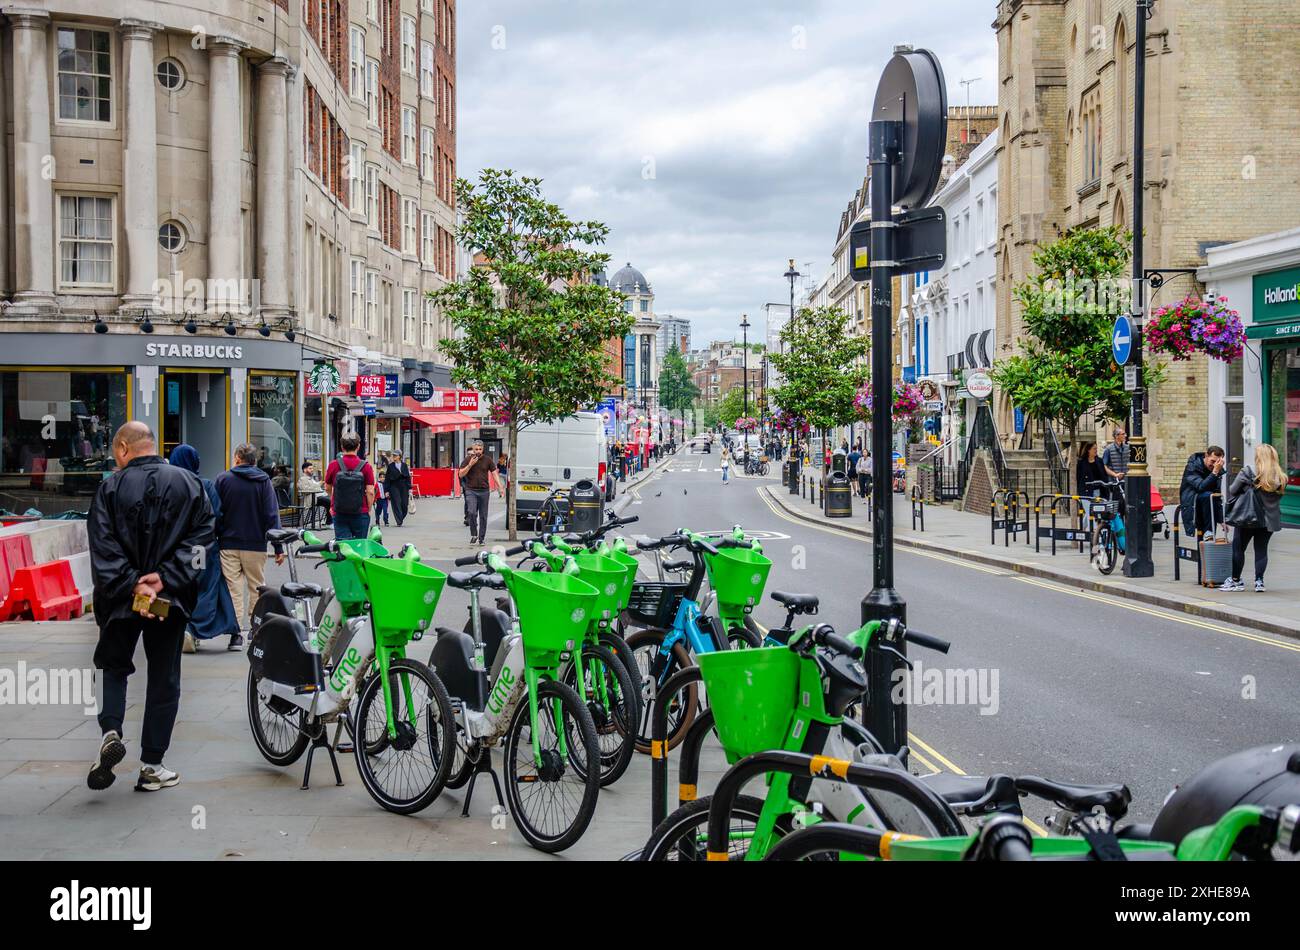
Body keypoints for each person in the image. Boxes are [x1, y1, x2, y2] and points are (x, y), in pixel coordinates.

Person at [87, 422, 213, 793]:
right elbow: (204, 542)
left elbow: (102, 546)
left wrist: (131, 583)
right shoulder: (190, 484)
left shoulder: (109, 488)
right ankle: (152, 764)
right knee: (164, 677)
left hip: (120, 600)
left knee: (112, 666)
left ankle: (111, 730)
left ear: (124, 448)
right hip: (167, 600)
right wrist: (165, 578)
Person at [169, 444, 238, 654]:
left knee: (181, 588)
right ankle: (231, 632)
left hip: (177, 549)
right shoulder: (205, 485)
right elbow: (217, 514)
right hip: (204, 547)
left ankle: (187, 627)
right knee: (211, 587)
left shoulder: (169, 486)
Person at [215, 443, 283, 648]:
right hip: (256, 544)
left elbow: (216, 512)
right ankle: (256, 629)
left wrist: (216, 536)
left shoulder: (223, 479)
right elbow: (272, 515)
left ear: (237, 458)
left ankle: (235, 633)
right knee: (256, 587)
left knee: (233, 589)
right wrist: (278, 547)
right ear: (255, 461)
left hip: (228, 543)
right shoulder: (264, 482)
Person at [1220, 443, 1287, 592]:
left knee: (1238, 548)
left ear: (1259, 457)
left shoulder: (1248, 471)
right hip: (1269, 519)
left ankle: (1235, 581)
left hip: (1248, 516)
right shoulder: (1281, 477)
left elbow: (1232, 490)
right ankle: (1259, 582)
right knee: (1261, 550)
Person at [324, 434, 376, 541]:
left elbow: (327, 487)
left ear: (342, 447)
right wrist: (368, 508)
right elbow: (370, 491)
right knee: (360, 545)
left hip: (339, 511)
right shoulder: (366, 466)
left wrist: (333, 502)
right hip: (360, 512)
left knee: (343, 546)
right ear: (358, 446)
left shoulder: (333, 465)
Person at [1178, 444, 1226, 535]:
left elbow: (1216, 494)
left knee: (1211, 496)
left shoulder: (1216, 470)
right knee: (1208, 496)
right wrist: (1215, 472)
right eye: (1212, 461)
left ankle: (1209, 536)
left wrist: (1222, 520)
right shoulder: (1192, 466)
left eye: (1217, 462)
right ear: (1206, 455)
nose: (1214, 465)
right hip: (1192, 501)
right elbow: (1200, 486)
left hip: (1207, 504)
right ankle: (1209, 533)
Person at [459, 439, 497, 545]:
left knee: (483, 516)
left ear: (483, 449)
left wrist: (500, 487)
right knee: (471, 512)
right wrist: (470, 465)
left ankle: (481, 538)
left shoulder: (488, 460)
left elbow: (494, 473)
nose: (478, 451)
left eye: (480, 449)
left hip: (484, 491)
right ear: (473, 449)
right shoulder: (467, 459)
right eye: (476, 449)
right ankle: (474, 534)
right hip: (471, 490)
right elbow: (461, 474)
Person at [298, 460, 331, 526]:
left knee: (332, 501)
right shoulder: (302, 479)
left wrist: (319, 485)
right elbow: (306, 490)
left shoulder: (311, 479)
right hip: (312, 499)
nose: (312, 470)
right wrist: (318, 484)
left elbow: (315, 487)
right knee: (329, 502)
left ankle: (329, 521)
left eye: (312, 468)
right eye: (310, 468)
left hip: (318, 497)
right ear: (304, 470)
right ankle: (329, 522)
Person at [385, 451, 412, 526]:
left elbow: (408, 477)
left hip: (403, 486)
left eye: (395, 455)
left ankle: (400, 517)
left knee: (404, 504)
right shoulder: (390, 466)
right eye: (393, 455)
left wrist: (410, 488)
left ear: (399, 456)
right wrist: (386, 490)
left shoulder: (404, 465)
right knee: (396, 502)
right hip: (394, 486)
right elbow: (387, 479)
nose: (393, 456)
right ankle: (399, 521)